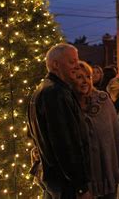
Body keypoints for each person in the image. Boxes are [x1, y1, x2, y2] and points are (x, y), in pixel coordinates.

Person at [27, 43, 92, 198]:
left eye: (77, 61)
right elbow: (65, 143)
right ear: (56, 65)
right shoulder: (55, 93)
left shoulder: (46, 90)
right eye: (71, 62)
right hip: (65, 184)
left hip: (56, 180)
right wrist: (81, 186)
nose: (77, 66)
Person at [71, 61, 119, 199]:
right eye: (79, 77)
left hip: (107, 175)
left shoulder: (103, 100)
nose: (85, 81)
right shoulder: (68, 104)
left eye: (88, 77)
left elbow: (116, 134)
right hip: (83, 182)